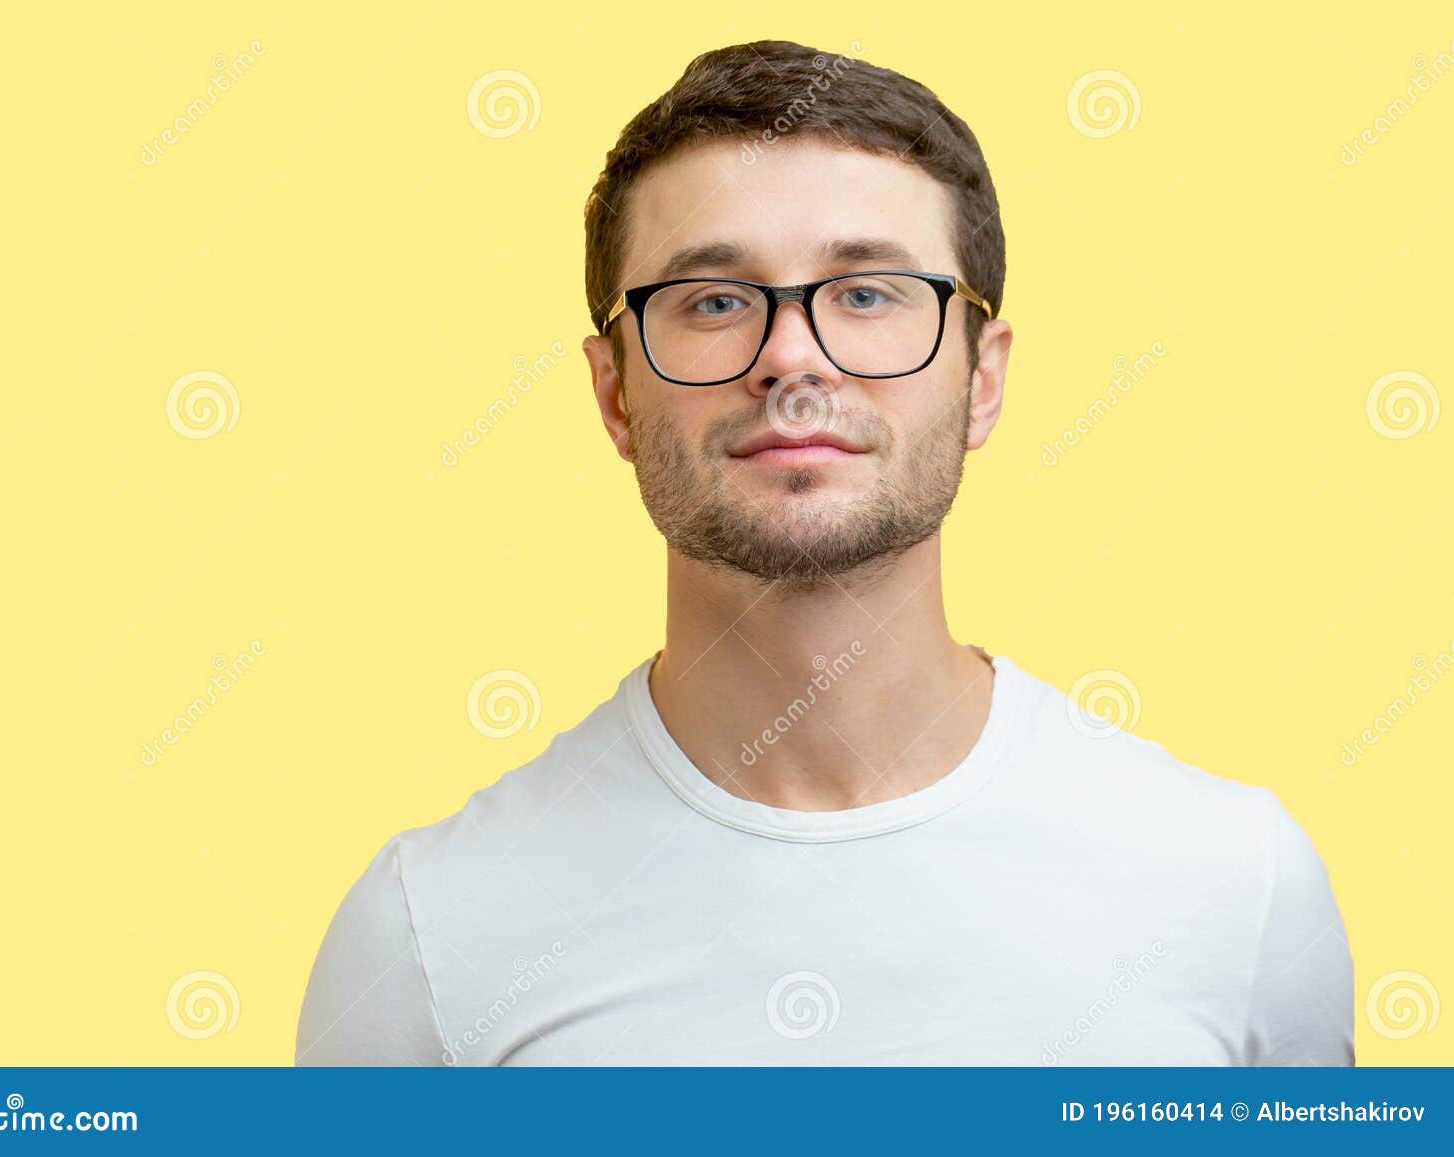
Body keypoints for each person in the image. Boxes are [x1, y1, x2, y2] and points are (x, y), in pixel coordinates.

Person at [296, 39, 1353, 1066]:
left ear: (981, 377)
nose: (791, 358)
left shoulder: (1236, 888)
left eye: (867, 292)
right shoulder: (426, 938)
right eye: (712, 301)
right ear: (614, 392)